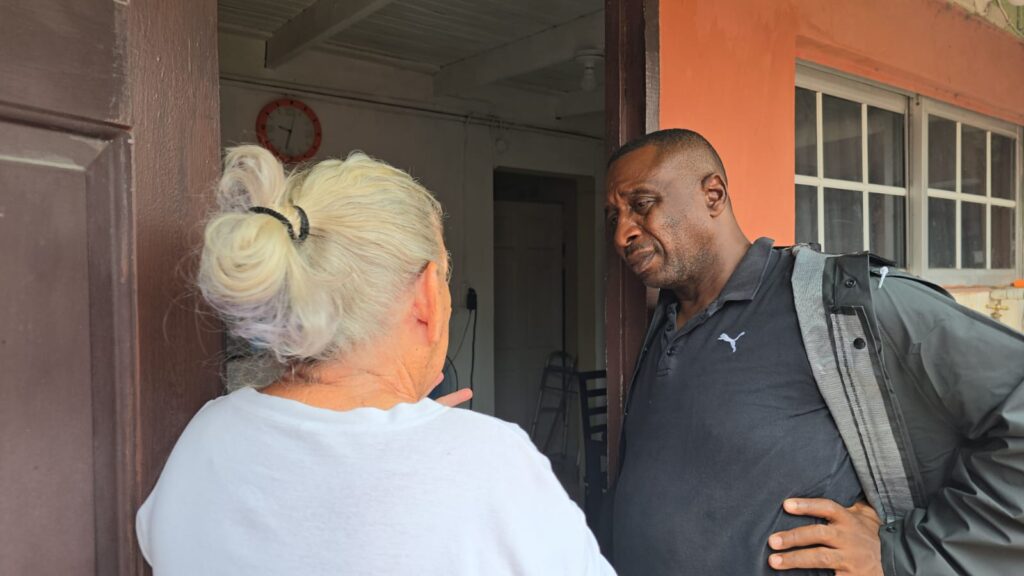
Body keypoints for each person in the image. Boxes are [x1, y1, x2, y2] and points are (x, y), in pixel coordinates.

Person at [136, 146, 615, 575]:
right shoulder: (491, 463)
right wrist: (439, 454)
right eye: (445, 277)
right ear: (427, 296)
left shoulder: (206, 436)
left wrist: (415, 447)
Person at [604, 129, 1024, 575]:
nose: (622, 233)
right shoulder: (658, 323)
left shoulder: (844, 304)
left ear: (713, 195)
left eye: (642, 204)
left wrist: (906, 554)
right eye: (613, 217)